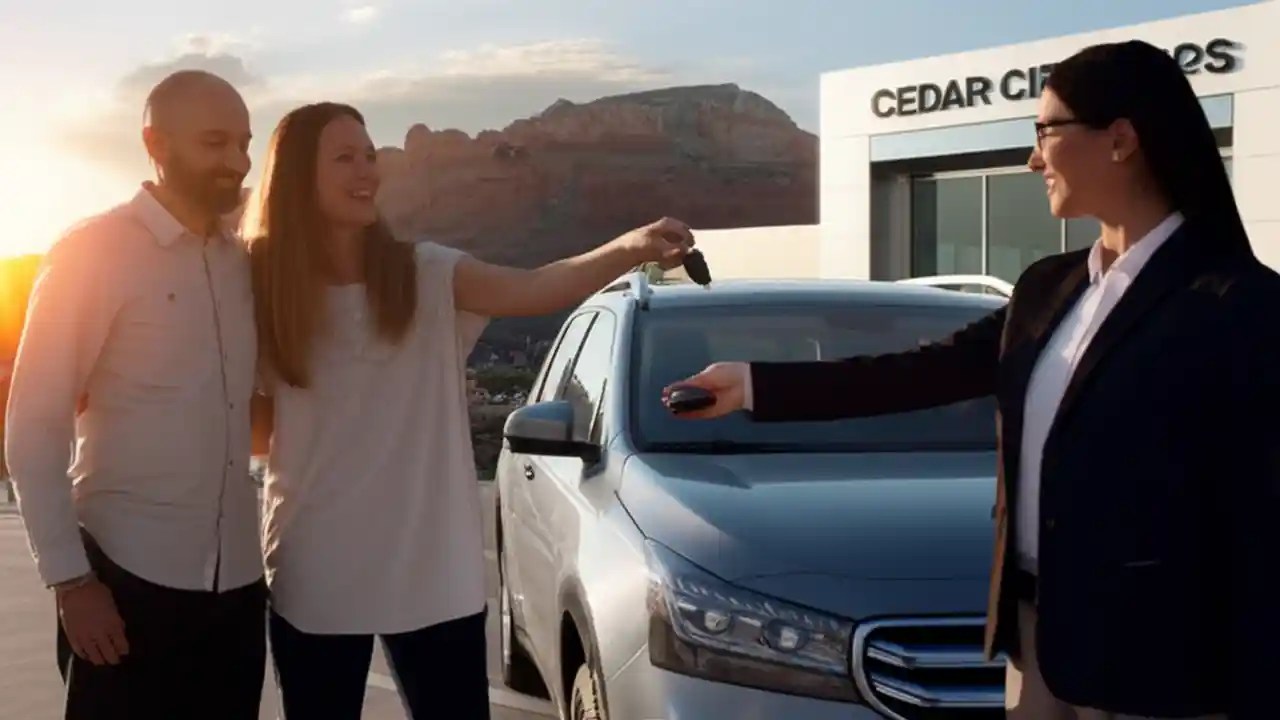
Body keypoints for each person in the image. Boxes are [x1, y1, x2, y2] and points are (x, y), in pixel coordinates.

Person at [666, 40, 1278, 720]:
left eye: (1045, 132)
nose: (1032, 160)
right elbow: (918, 374)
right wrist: (751, 385)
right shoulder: (1049, 287)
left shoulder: (1239, 306)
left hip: (1164, 666)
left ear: (1120, 140)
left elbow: (1263, 524)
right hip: (1036, 641)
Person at [242, 101, 693, 719]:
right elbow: (252, 427)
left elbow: (536, 288)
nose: (367, 170)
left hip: (433, 573)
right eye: (344, 158)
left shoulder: (425, 273)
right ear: (297, 177)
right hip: (315, 570)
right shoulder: (262, 292)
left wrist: (631, 247)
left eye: (369, 155)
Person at [3, 70, 265, 719]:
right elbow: (35, 424)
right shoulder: (93, 251)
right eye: (214, 142)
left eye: (244, 143)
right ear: (156, 144)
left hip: (237, 592)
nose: (237, 161)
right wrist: (71, 581)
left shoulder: (242, 262)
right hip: (123, 585)